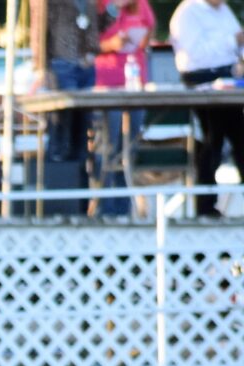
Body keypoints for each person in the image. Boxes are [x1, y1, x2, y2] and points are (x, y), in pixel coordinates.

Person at [169, 0, 244, 218]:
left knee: (240, 139)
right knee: (211, 141)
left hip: (228, 82)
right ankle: (205, 207)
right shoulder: (187, 13)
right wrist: (233, 40)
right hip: (201, 83)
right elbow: (194, 54)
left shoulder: (224, 10)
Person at [94, 0, 157, 217]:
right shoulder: (100, 5)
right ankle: (105, 208)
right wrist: (111, 43)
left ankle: (123, 207)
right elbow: (86, 43)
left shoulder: (139, 4)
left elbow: (149, 29)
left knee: (129, 148)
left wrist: (141, 38)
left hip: (135, 82)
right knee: (108, 147)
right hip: (106, 83)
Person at [36, 0, 101, 206]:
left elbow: (97, 29)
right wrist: (43, 68)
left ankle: (80, 203)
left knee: (82, 134)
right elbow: (40, 32)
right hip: (61, 65)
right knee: (60, 130)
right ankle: (59, 201)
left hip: (86, 67)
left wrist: (112, 10)